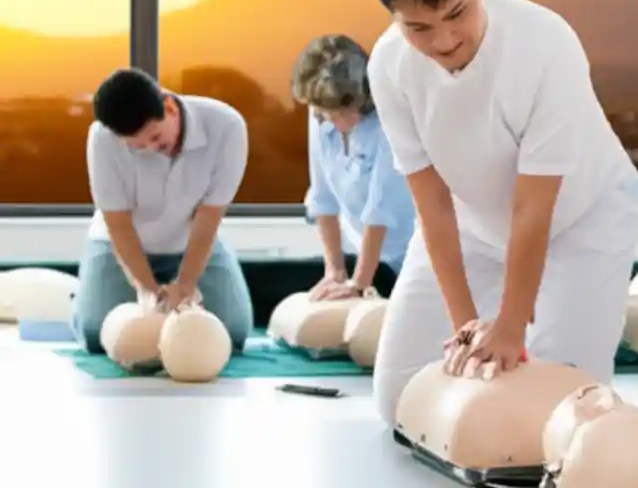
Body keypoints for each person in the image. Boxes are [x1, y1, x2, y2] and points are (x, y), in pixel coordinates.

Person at [363, 0, 638, 426]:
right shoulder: (388, 66)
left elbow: (534, 205)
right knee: (399, 401)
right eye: (419, 28)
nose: (444, 40)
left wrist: (512, 325)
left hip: (582, 221)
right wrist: (466, 328)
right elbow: (432, 204)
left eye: (457, 13)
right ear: (393, 16)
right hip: (472, 226)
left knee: (564, 411)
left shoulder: (546, 43)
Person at [73, 68, 254, 353]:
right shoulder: (102, 138)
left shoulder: (226, 126)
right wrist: (147, 290)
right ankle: (85, 293)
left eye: (156, 138)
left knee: (233, 332)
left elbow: (209, 217)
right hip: (118, 244)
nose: (150, 149)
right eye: (138, 146)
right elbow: (118, 223)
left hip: (191, 241)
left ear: (170, 107)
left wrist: (185, 285)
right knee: (96, 333)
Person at [291, 34, 415, 300]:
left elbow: (380, 210)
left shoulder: (389, 119)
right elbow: (323, 197)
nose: (344, 122)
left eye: (349, 111)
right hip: (365, 251)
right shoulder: (319, 114)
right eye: (333, 115)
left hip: (414, 253)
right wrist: (334, 271)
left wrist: (359, 284)